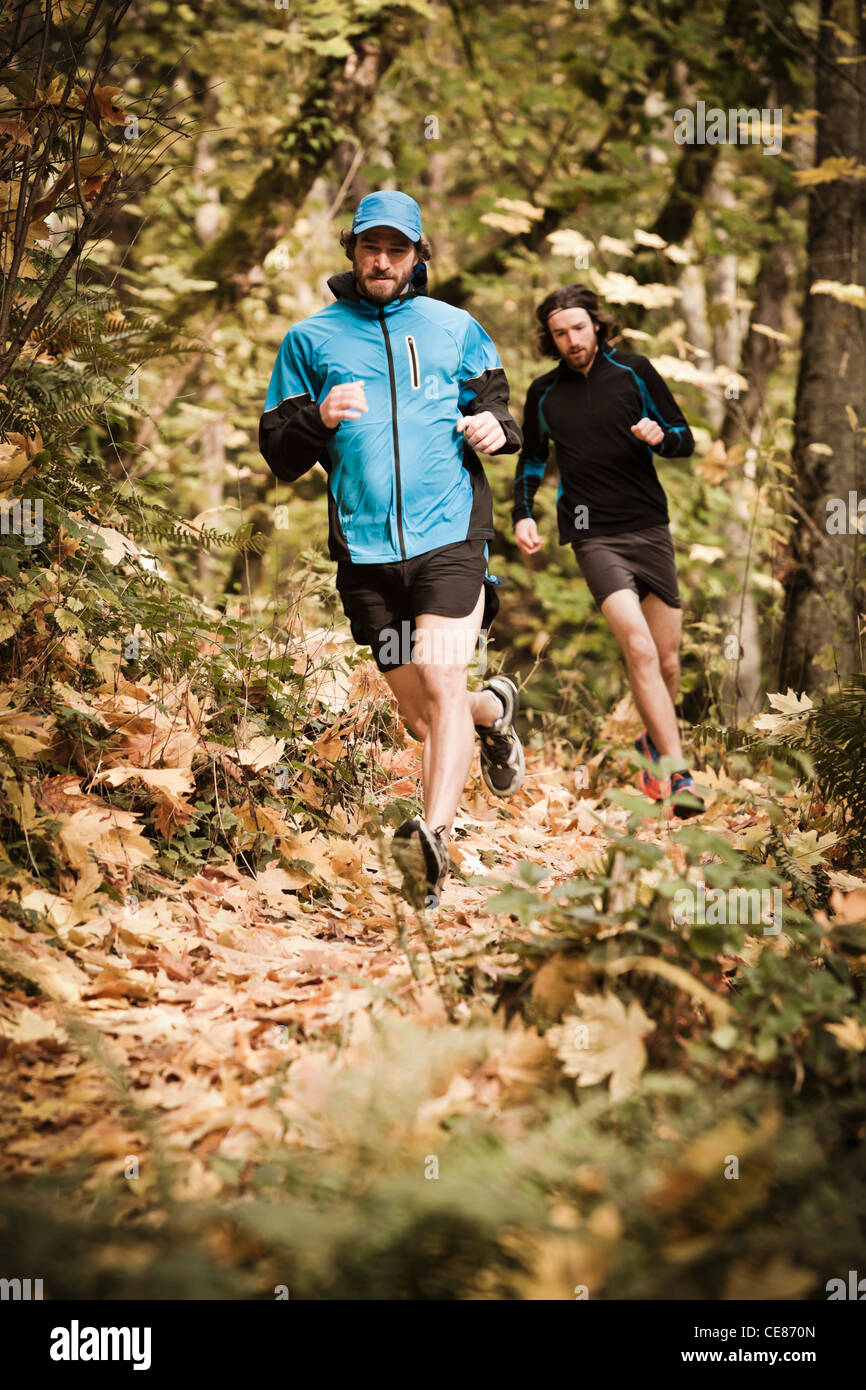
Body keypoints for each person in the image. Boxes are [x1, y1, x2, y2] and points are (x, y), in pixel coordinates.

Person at [260, 190, 526, 908]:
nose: (383, 261)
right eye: (371, 247)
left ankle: (432, 841)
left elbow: (499, 409)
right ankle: (493, 712)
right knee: (421, 715)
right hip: (367, 554)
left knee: (440, 684)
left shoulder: (455, 328)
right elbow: (280, 454)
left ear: (417, 256)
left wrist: (497, 429)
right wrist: (317, 417)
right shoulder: (309, 341)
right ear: (352, 250)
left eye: (397, 249)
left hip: (450, 536)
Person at [512, 282, 703, 816]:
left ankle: (650, 743)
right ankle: (678, 775)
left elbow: (685, 437)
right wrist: (523, 513)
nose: (571, 340)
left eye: (578, 327)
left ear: (596, 324)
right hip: (591, 532)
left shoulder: (635, 371)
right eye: (559, 333)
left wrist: (658, 437)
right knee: (638, 649)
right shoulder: (544, 393)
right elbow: (531, 462)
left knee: (667, 662)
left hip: (649, 525)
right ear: (549, 340)